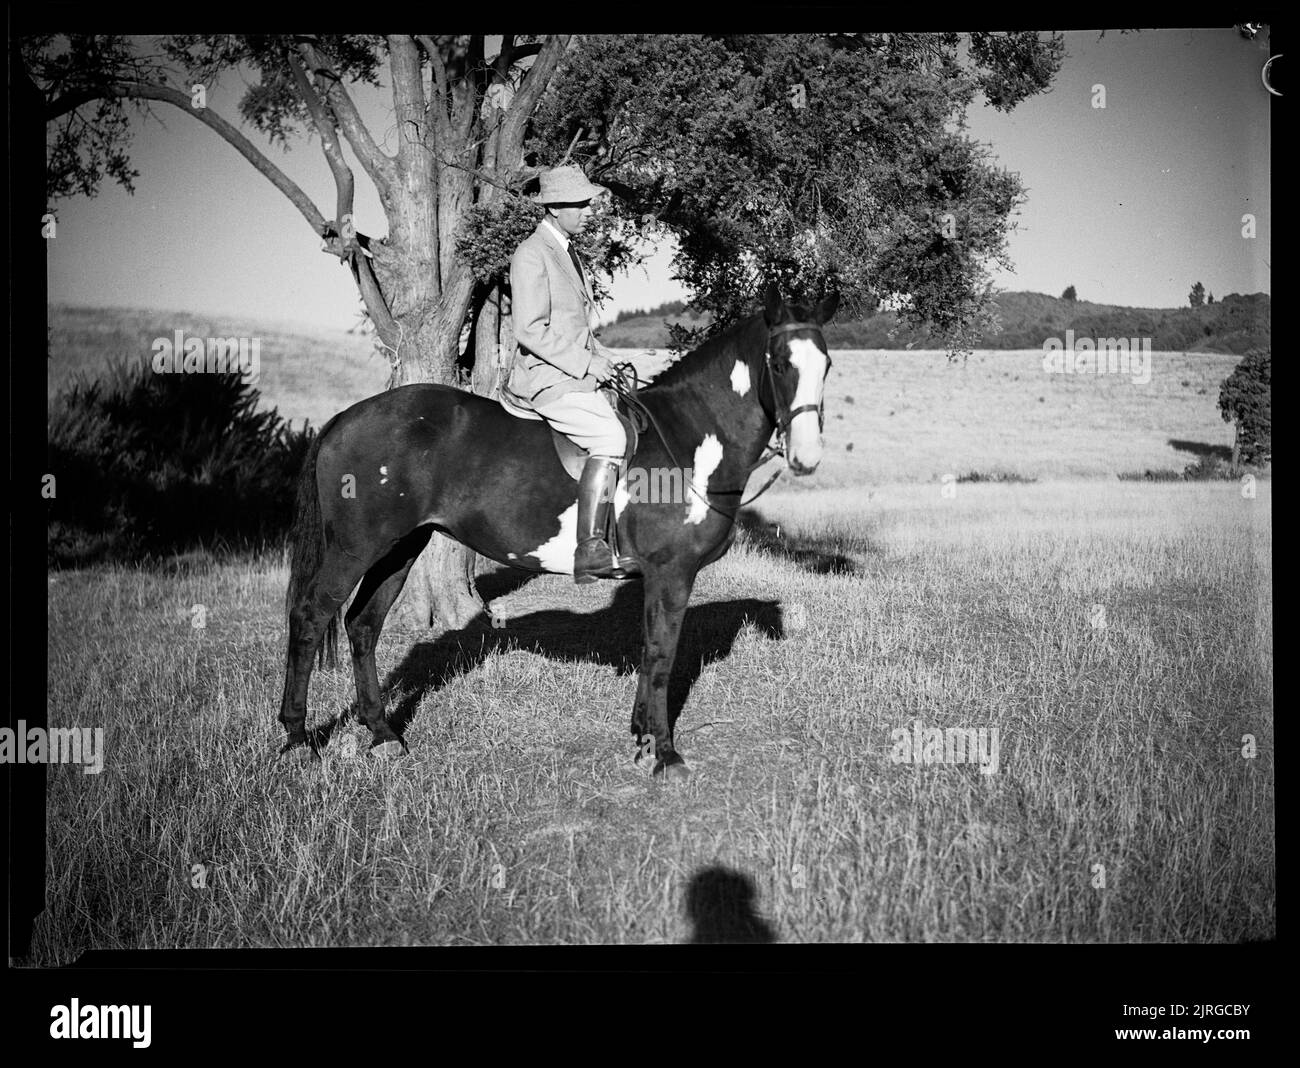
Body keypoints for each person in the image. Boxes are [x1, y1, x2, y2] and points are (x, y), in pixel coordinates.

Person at [504, 165, 635, 583]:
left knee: (631, 420)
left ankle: (624, 539)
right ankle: (591, 551)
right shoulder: (531, 254)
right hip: (547, 378)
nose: (588, 209)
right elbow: (529, 329)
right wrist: (584, 363)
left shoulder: (567, 251)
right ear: (556, 208)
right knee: (610, 437)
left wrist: (605, 357)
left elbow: (573, 327)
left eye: (587, 201)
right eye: (580, 204)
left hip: (573, 370)